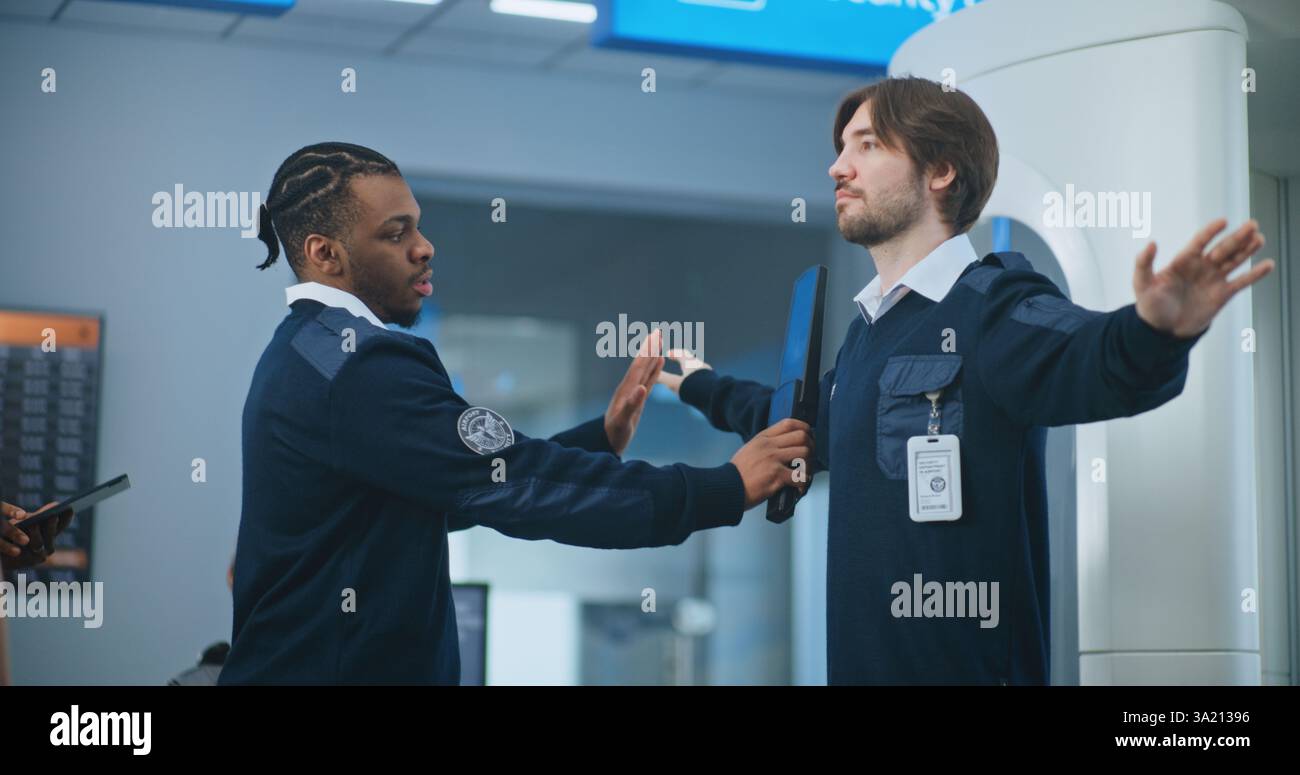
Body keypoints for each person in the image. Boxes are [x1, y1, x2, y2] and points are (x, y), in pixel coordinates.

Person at [657, 75, 1274, 685]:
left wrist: (1154, 331)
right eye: (841, 149)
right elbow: (795, 422)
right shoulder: (868, 333)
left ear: (940, 172)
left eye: (867, 146)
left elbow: (1096, 359)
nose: (838, 168)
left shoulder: (993, 305)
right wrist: (699, 384)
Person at [219, 143, 811, 685]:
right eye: (396, 234)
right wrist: (724, 488)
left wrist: (599, 440)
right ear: (325, 254)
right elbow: (516, 483)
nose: (424, 248)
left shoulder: (306, 351)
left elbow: (444, 487)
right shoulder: (362, 366)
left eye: (417, 227)